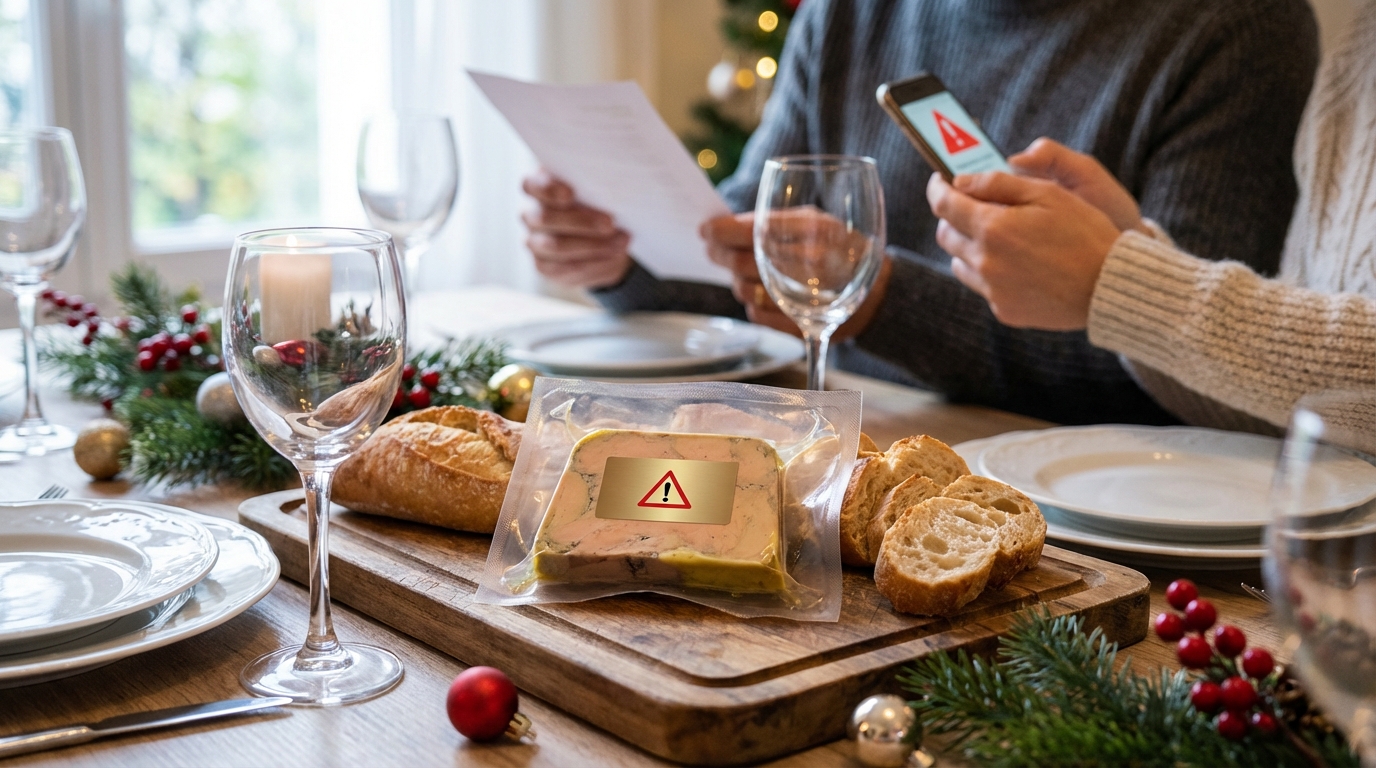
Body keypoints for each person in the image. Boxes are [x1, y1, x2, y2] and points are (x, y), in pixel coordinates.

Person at [522, 0, 1318, 425]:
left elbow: (1186, 376)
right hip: (853, 453)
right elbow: (750, 258)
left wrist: (881, 300)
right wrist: (624, 259)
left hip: (1080, 523)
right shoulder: (845, 12)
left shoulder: (1238, 25)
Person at [924, 8, 1376, 433]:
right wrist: (1136, 258)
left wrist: (1128, 284)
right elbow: (1298, 416)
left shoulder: (1243, 24)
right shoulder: (1361, 51)